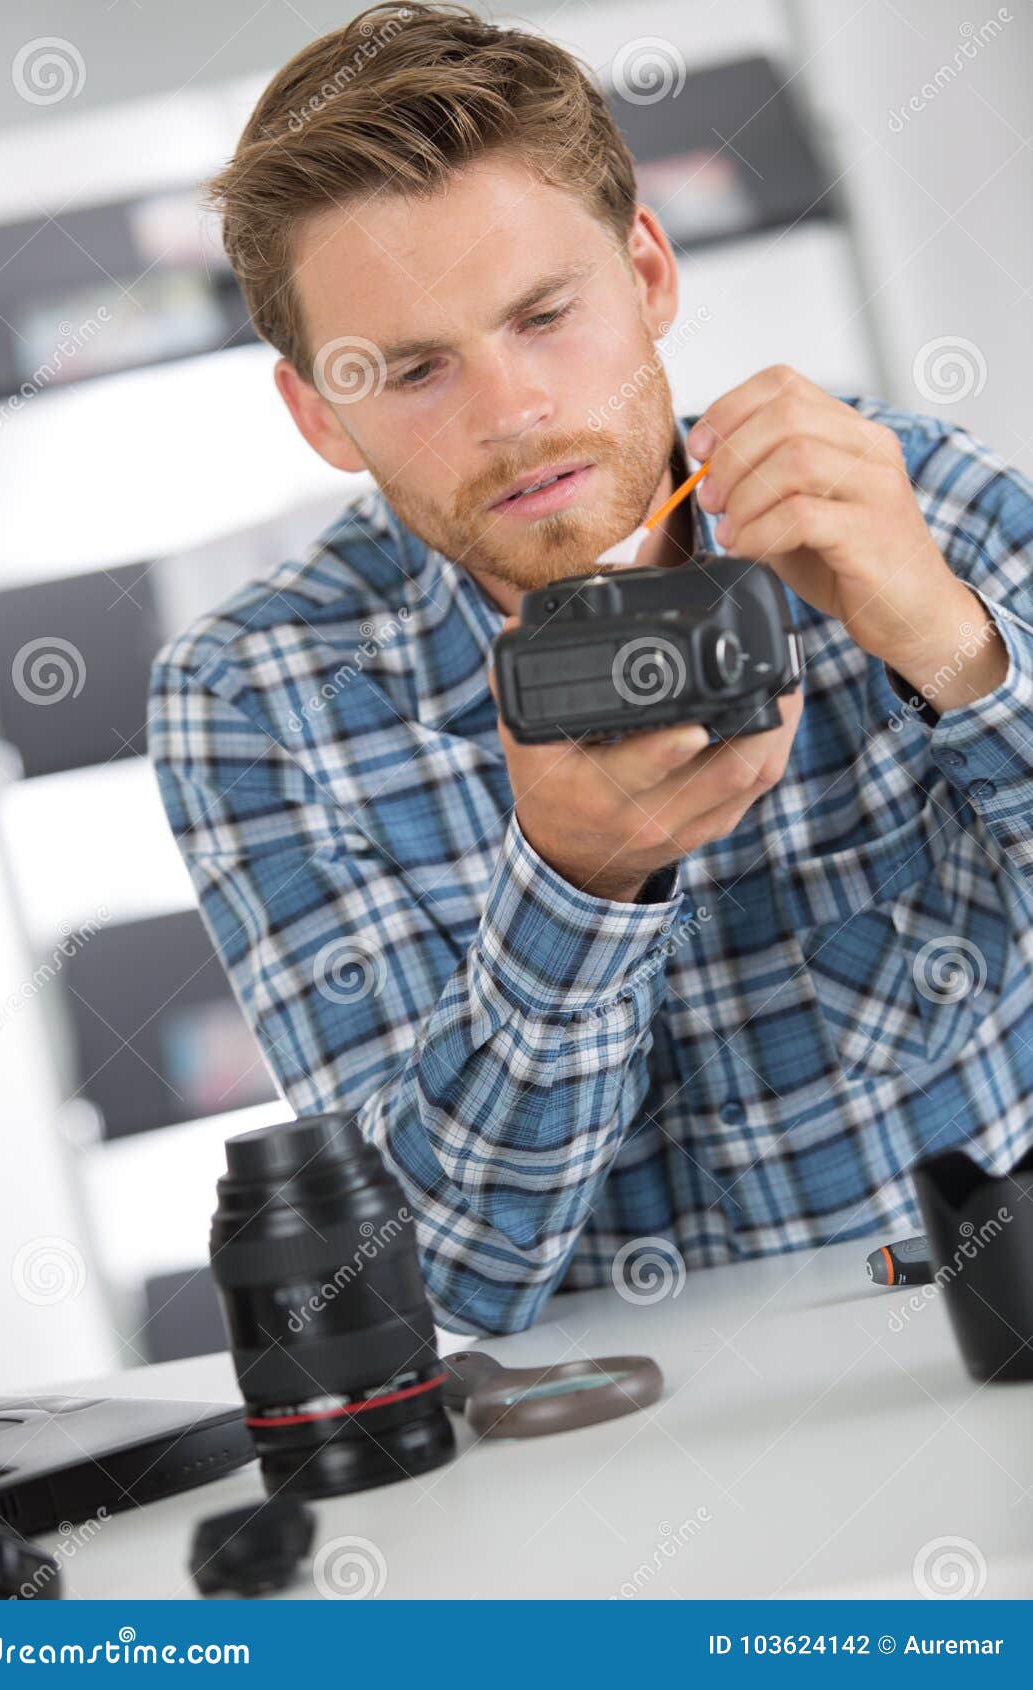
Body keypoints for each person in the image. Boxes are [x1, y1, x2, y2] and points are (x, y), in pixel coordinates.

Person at [149, 3, 1033, 1336]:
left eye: (547, 315)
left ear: (651, 273)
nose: (514, 413)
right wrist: (574, 889)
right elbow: (450, 1277)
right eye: (413, 369)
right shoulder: (258, 701)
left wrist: (955, 653)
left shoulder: (899, 497)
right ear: (320, 413)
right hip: (610, 1468)